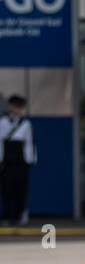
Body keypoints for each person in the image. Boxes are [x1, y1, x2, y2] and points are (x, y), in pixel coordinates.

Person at [0, 94, 36, 225]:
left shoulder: (26, 124)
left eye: (20, 107)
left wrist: (29, 160)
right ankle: (9, 215)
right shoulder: (3, 123)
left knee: (21, 189)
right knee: (7, 189)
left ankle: (20, 214)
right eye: (15, 106)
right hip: (7, 160)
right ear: (10, 107)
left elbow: (29, 143)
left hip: (21, 160)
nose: (18, 109)